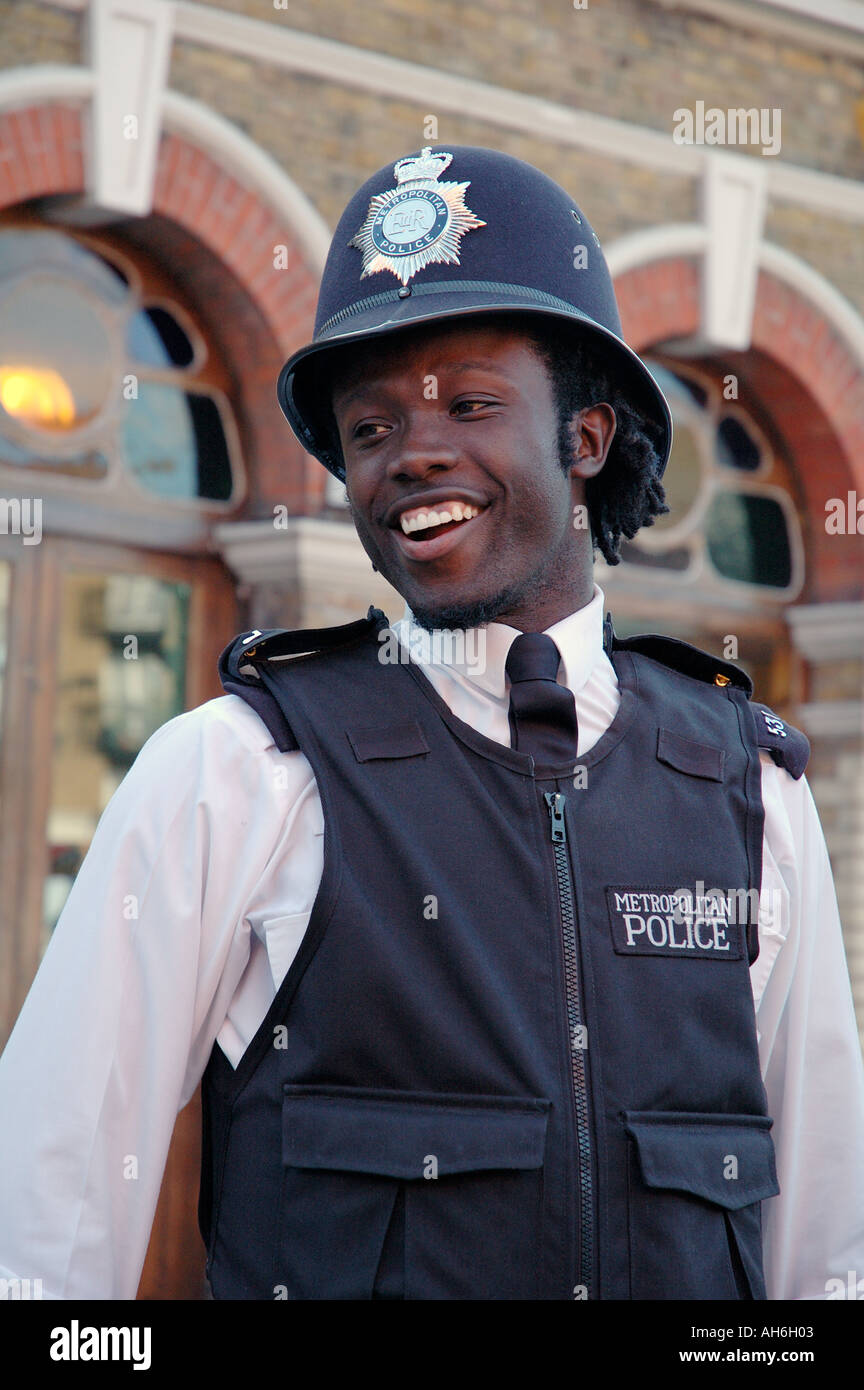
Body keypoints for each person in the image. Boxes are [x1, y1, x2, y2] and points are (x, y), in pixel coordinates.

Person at [1, 145, 863, 1301]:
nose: (413, 455)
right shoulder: (234, 772)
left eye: (470, 403)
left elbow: (825, 1258)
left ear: (587, 439)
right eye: (368, 431)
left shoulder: (750, 793)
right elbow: (44, 1238)